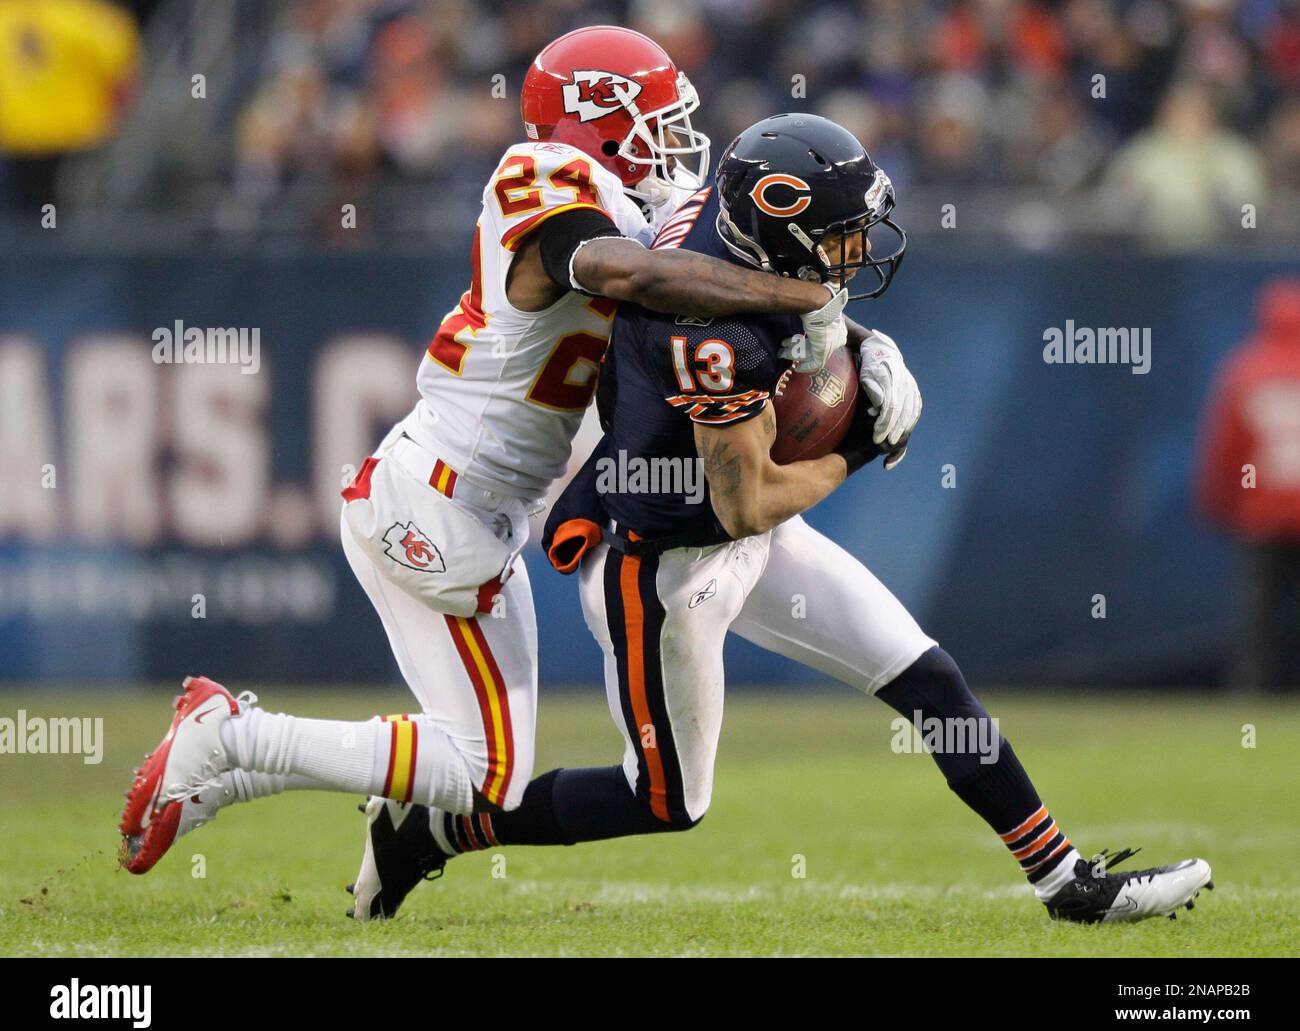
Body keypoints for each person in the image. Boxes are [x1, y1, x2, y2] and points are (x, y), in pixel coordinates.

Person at [350, 114, 1213, 926]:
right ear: (782, 228)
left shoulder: (728, 243)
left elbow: (797, 317)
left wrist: (861, 342)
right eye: (840, 236)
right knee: (667, 801)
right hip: (669, 567)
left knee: (926, 678)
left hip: (739, 531)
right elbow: (748, 499)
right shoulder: (713, 338)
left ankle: (1066, 884)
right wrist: (859, 448)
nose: (857, 251)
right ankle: (431, 832)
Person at [117, 27, 856, 876]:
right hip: (440, 496)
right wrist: (803, 298)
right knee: (485, 775)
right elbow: (632, 276)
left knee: (478, 766)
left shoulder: (638, 207)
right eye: (656, 118)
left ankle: (228, 770)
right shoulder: (541, 176)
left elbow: (697, 297)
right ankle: (230, 734)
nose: (674, 141)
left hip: (475, 503)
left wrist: (857, 349)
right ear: (598, 119)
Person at [1196, 276, 1300, 691]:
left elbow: (1226, 446)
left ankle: (1254, 692)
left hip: (1264, 513)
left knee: (1261, 616)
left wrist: (1218, 503)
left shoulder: (1247, 368)